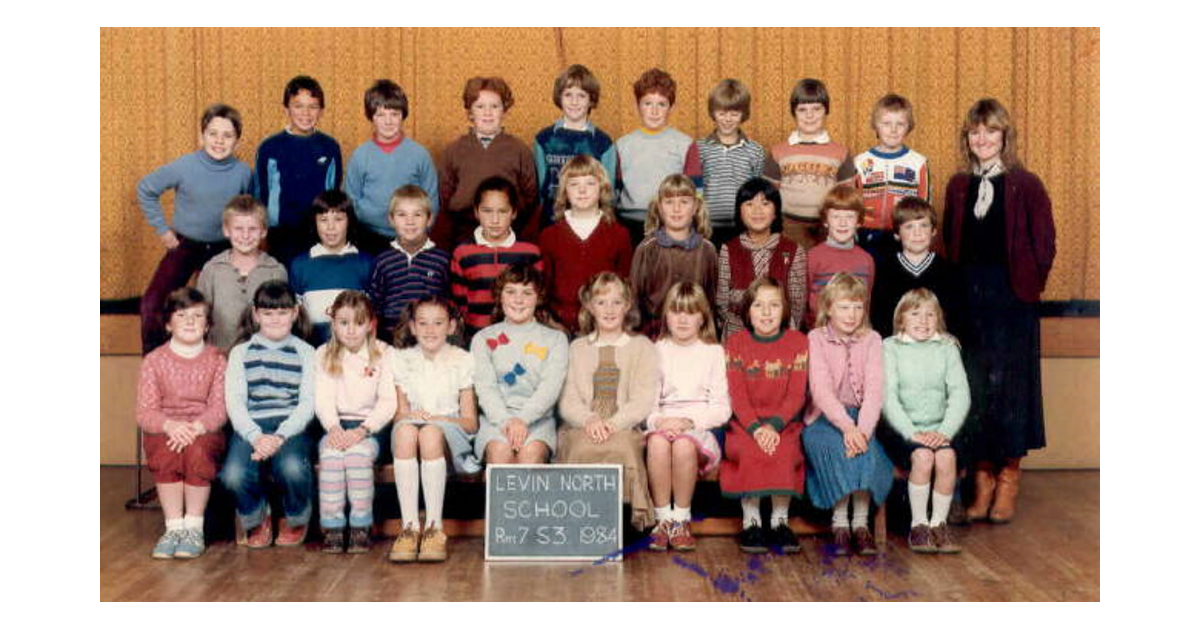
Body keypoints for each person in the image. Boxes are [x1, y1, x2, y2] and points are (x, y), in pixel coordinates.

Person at [942, 98, 1055, 524]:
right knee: (975, 389)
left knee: (1010, 390)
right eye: (975, 132)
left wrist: (1024, 290)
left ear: (1004, 137)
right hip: (969, 300)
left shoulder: (1026, 184)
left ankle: (1009, 476)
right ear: (967, 139)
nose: (982, 139)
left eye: (990, 131)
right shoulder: (957, 185)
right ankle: (982, 479)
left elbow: (1045, 245)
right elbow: (951, 246)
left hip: (1011, 301)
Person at [136, 103, 252, 354]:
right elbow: (146, 189)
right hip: (185, 244)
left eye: (227, 135)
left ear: (237, 141)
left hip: (223, 248)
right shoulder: (185, 165)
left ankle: (217, 366)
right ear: (201, 136)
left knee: (222, 309)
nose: (219, 141)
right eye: (213, 134)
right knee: (153, 303)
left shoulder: (243, 173)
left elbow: (249, 212)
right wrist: (163, 230)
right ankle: (154, 364)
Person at [556, 272, 658, 531]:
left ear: (627, 306)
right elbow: (568, 399)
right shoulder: (577, 347)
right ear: (590, 306)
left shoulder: (642, 346)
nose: (609, 309)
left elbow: (642, 400)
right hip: (582, 425)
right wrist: (589, 420)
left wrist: (612, 424)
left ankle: (623, 523)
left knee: (624, 447)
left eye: (616, 302)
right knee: (580, 447)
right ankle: (577, 522)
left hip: (622, 425)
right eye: (601, 302)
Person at [220, 280, 316, 549]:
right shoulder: (241, 353)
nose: (275, 319)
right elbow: (235, 401)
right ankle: (257, 517)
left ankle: (295, 517)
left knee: (292, 468)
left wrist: (280, 436)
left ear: (295, 313)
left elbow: (307, 403)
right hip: (251, 426)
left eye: (283, 312)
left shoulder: (306, 352)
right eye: (268, 313)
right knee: (233, 474)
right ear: (256, 314)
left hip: (291, 426)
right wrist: (256, 437)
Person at [801, 273, 892, 557]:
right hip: (824, 418)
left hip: (864, 418)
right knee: (840, 449)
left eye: (857, 307)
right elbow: (821, 390)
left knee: (868, 453)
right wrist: (847, 429)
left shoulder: (873, 339)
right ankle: (840, 524)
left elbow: (875, 391)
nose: (851, 315)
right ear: (828, 307)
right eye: (843, 307)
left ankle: (861, 525)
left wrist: (862, 431)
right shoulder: (816, 338)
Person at [137, 288, 228, 559]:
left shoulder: (217, 359)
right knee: (166, 451)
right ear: (168, 324)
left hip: (204, 429)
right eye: (182, 315)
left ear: (207, 324)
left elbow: (220, 407)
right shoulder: (154, 361)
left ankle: (193, 527)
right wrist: (170, 426)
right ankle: (174, 527)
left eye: (198, 316)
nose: (190, 321)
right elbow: (145, 411)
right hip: (167, 428)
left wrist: (196, 427)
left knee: (198, 451)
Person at [720, 278, 809, 554]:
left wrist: (774, 426)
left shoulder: (798, 342)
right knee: (750, 451)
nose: (767, 312)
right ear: (748, 311)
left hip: (785, 422)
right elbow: (737, 395)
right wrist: (757, 428)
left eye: (774, 305)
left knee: (784, 451)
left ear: (785, 310)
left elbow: (796, 394)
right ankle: (752, 521)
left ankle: (780, 521)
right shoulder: (736, 343)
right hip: (746, 424)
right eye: (759, 305)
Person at [389, 296, 479, 563]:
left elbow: (470, 422)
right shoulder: (401, 359)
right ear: (413, 327)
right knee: (407, 431)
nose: (430, 330)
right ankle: (409, 527)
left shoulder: (462, 359)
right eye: (423, 323)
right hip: (411, 428)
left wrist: (438, 420)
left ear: (451, 327)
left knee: (429, 432)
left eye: (438, 323)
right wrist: (411, 416)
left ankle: (434, 527)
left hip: (450, 432)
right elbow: (399, 415)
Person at [881, 288, 969, 553]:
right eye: (915, 314)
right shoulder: (890, 347)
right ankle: (918, 526)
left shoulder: (946, 347)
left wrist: (944, 432)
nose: (923, 321)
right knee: (923, 457)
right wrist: (911, 433)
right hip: (902, 430)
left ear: (938, 319)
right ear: (901, 320)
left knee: (946, 458)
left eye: (930, 314)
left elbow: (960, 394)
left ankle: (937, 525)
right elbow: (888, 398)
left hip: (939, 429)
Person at [644, 282, 730, 552]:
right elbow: (646, 403)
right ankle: (663, 521)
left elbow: (721, 407)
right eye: (676, 311)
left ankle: (681, 519)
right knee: (658, 443)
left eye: (690, 312)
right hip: (662, 424)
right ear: (666, 316)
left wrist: (688, 423)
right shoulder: (656, 350)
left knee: (682, 445)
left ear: (703, 317)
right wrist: (659, 421)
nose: (682, 319)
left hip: (698, 427)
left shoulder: (713, 352)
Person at [314, 291, 397, 554]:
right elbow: (323, 399)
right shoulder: (324, 353)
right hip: (336, 425)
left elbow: (388, 402)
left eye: (359, 323)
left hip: (372, 427)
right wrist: (334, 429)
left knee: (357, 457)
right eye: (343, 323)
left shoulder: (384, 353)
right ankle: (333, 526)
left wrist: (363, 430)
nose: (351, 331)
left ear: (370, 324)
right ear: (333, 323)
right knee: (331, 456)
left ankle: (360, 525)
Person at [471, 264, 569, 466]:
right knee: (499, 451)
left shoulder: (556, 339)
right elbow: (485, 388)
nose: (518, 299)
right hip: (496, 420)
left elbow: (550, 388)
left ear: (538, 297)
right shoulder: (483, 338)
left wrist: (523, 420)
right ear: (500, 296)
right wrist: (507, 422)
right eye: (510, 292)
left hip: (538, 421)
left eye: (527, 293)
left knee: (531, 454)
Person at [432, 76, 539, 248]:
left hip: (508, 232)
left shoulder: (519, 150)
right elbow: (445, 196)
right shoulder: (454, 151)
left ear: (504, 110)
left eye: (494, 106)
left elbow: (530, 197)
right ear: (470, 112)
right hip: (464, 232)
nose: (487, 113)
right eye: (480, 106)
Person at [253, 75, 343, 265]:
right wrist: (261, 233)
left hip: (319, 232)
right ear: (286, 109)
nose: (306, 113)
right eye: (298, 106)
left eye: (313, 106)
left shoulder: (330, 147)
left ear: (321, 111)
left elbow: (334, 192)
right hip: (281, 234)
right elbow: (260, 193)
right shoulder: (270, 147)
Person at [538, 155, 632, 335]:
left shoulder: (619, 235)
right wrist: (553, 325)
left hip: (605, 329)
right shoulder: (549, 236)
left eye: (590, 183)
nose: (582, 190)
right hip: (560, 329)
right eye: (574, 184)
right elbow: (544, 289)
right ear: (565, 191)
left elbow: (626, 288)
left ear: (602, 188)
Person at [345, 79, 439, 255]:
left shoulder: (420, 155)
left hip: (411, 238)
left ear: (403, 115)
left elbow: (432, 201)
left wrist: (416, 233)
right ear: (371, 117)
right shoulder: (360, 156)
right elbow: (351, 201)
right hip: (369, 238)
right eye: (381, 115)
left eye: (394, 114)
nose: (388, 121)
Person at [763, 78, 856, 249]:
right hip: (789, 227)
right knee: (790, 272)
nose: (809, 115)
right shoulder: (778, 151)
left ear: (826, 111)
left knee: (824, 272)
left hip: (828, 228)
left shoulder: (840, 152)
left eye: (816, 109)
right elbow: (769, 198)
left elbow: (849, 198)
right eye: (802, 109)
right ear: (794, 112)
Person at [615, 68, 703, 247]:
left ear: (672, 107)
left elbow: (696, 193)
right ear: (637, 105)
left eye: (661, 104)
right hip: (629, 222)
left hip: (670, 224)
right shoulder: (622, 145)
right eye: (648, 103)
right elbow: (613, 192)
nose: (654, 111)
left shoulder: (685, 144)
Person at [450, 177, 543, 340]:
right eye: (487, 211)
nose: (494, 220)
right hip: (476, 337)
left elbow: (538, 299)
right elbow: (459, 304)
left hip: (521, 338)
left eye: (502, 211)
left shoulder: (531, 253)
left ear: (514, 213)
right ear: (476, 212)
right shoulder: (462, 253)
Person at [629, 174, 718, 339]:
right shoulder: (646, 249)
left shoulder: (707, 250)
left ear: (695, 207)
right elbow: (634, 299)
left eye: (684, 202)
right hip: (654, 334)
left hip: (695, 336)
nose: (676, 209)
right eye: (669, 202)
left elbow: (711, 302)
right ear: (660, 208)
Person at [716, 177, 806, 339]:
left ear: (775, 212)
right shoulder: (728, 249)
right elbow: (722, 304)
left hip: (781, 335)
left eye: (765, 204)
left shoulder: (793, 250)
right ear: (739, 211)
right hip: (738, 335)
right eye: (749, 204)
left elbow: (797, 306)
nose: (757, 210)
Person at [196, 195, 287, 350]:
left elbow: (283, 320)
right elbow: (200, 317)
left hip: (263, 359)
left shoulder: (276, 271)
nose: (245, 236)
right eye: (238, 229)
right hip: (220, 359)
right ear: (226, 230)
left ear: (263, 231)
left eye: (252, 229)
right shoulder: (212, 269)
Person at [533, 64, 617, 227]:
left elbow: (608, 193)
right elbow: (540, 191)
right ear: (559, 98)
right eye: (568, 95)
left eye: (581, 95)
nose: (574, 102)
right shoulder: (544, 139)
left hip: (592, 221)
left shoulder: (603, 143)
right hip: (552, 221)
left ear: (591, 100)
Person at [868, 197, 966, 338]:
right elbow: (879, 321)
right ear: (896, 234)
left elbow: (958, 323)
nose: (917, 233)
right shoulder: (885, 271)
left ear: (933, 231)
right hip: (898, 350)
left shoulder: (950, 272)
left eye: (923, 226)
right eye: (909, 227)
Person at [852, 93, 931, 260]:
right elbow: (851, 204)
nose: (893, 130)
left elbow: (924, 208)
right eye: (887, 123)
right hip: (866, 234)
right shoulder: (861, 161)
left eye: (900, 124)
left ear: (909, 126)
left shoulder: (918, 163)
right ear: (876, 125)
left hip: (904, 235)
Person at [368, 185, 451, 342]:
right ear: (391, 220)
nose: (410, 221)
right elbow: (374, 305)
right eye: (402, 215)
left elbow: (448, 303)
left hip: (430, 338)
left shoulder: (442, 260)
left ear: (429, 219)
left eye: (417, 215)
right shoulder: (382, 260)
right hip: (390, 339)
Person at [289, 190, 373, 345]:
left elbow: (371, 317)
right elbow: (297, 320)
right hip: (313, 348)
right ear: (314, 222)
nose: (330, 227)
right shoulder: (300, 265)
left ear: (349, 221)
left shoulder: (365, 263)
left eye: (338, 219)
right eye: (323, 220)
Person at [697, 79, 766, 249]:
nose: (728, 119)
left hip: (742, 226)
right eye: (722, 113)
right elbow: (695, 191)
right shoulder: (699, 148)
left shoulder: (755, 150)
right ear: (713, 113)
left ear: (744, 114)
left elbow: (758, 192)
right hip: (707, 227)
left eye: (734, 114)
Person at [804, 186, 874, 330]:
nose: (843, 223)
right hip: (820, 332)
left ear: (859, 222)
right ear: (825, 221)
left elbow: (867, 302)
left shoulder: (866, 260)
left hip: (856, 334)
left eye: (849, 217)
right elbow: (803, 302)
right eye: (836, 216)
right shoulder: (812, 257)